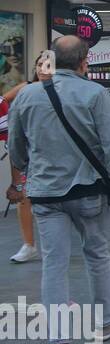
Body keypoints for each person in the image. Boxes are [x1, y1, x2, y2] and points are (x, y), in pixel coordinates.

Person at [8, 36, 110, 344]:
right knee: (96, 253)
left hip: (45, 193)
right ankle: (105, 321)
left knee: (54, 264)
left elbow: (17, 150)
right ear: (84, 62)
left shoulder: (27, 96)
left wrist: (27, 170)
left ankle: (58, 342)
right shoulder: (95, 94)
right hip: (87, 191)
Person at [5, 49, 54, 264]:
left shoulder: (61, 89)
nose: (42, 68)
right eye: (39, 64)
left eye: (48, 64)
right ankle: (28, 244)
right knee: (25, 198)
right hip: (29, 153)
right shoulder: (26, 88)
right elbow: (3, 101)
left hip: (55, 153)